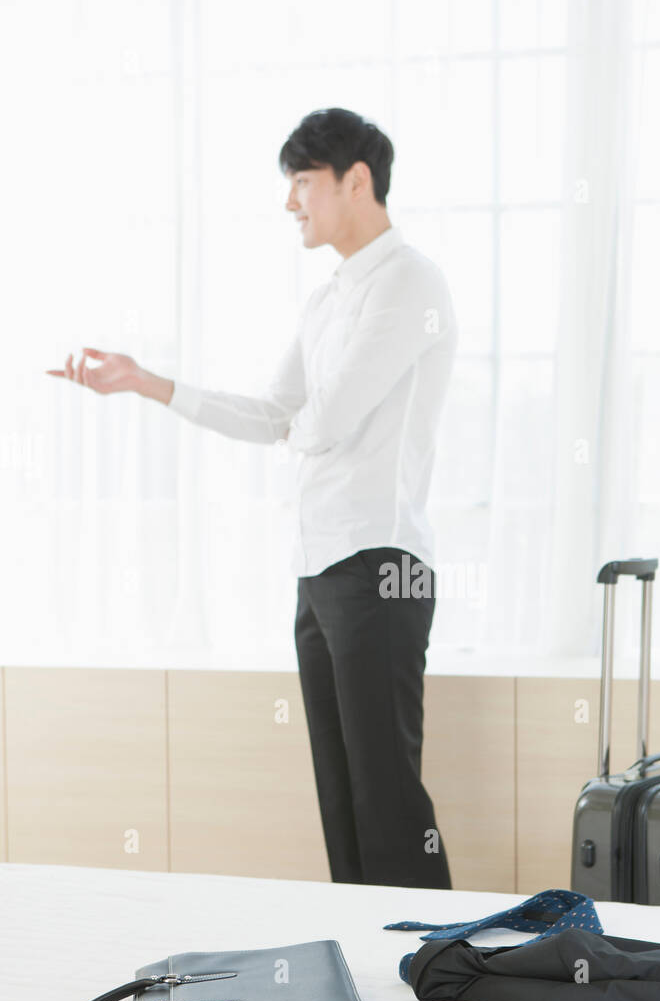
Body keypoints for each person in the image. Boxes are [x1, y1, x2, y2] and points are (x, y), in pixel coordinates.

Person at [46, 106, 456, 890]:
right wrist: (147, 383)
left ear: (356, 180)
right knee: (342, 800)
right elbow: (281, 415)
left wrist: (302, 423)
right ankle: (373, 968)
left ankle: (438, 968)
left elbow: (327, 420)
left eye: (302, 183)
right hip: (320, 567)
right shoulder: (328, 300)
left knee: (387, 798)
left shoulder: (410, 281)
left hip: (380, 564)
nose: (290, 202)